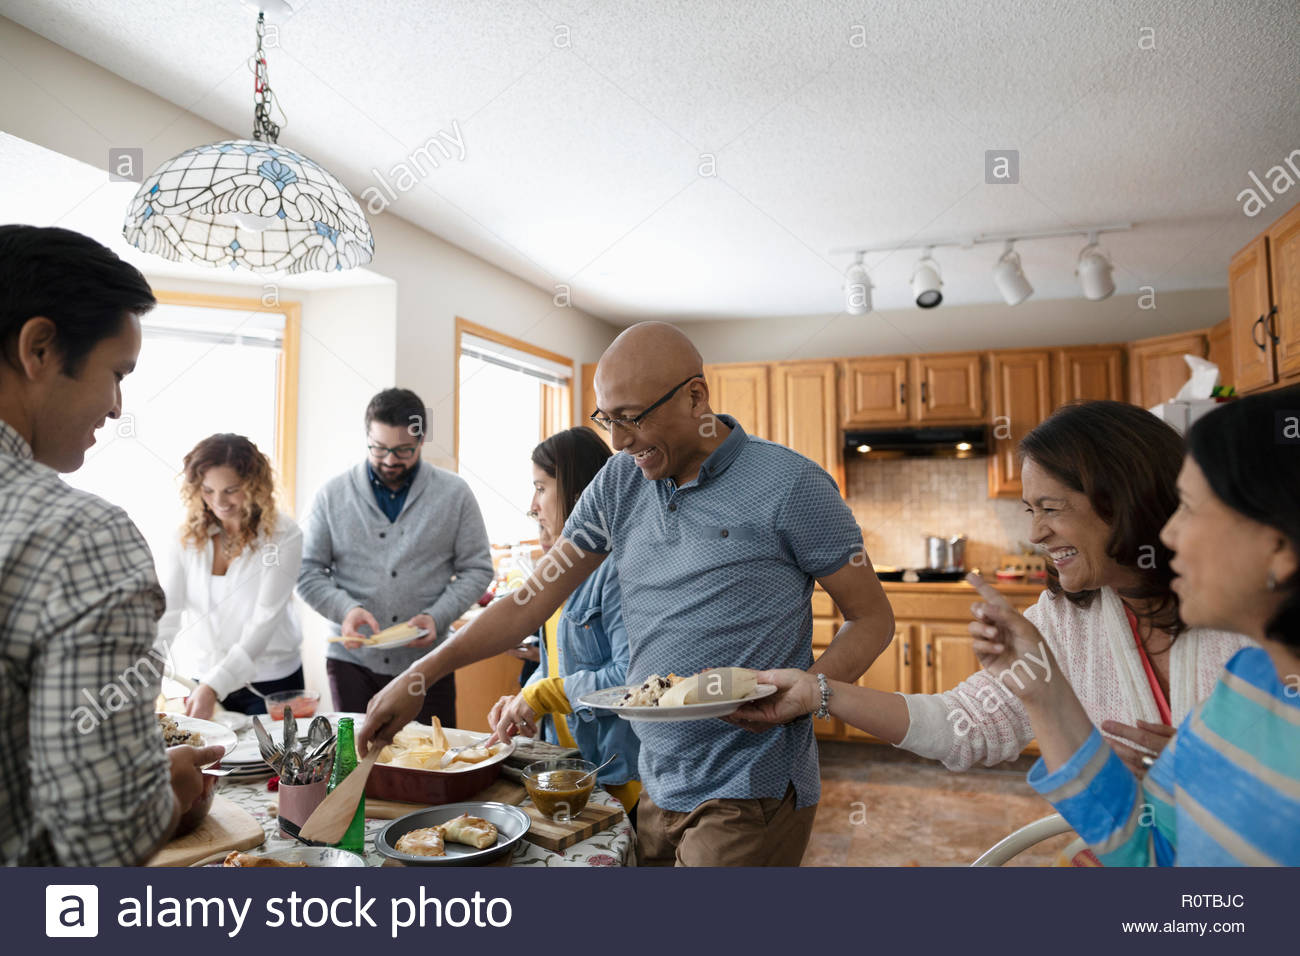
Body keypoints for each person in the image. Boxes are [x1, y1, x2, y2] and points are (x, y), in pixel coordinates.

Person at [360, 322, 895, 867]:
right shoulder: (619, 482)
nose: (618, 440)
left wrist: (810, 691)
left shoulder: (790, 486)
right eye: (607, 419)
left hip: (747, 786)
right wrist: (417, 675)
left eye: (632, 418)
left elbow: (871, 618)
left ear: (696, 396)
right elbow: (532, 599)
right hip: (654, 779)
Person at [742, 401, 1252, 775]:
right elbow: (965, 726)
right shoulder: (1061, 620)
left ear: (1126, 500)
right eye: (1030, 510)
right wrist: (818, 692)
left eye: (1051, 508)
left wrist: (1210, 778)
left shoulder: (1253, 615)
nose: (1034, 534)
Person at [971, 385, 1299, 865]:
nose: (1166, 532)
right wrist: (1043, 690)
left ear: (1279, 545)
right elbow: (1147, 855)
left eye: (1189, 507)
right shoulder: (1243, 685)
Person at [0, 225, 221, 865]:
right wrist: (170, 786)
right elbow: (99, 845)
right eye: (116, 373)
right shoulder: (83, 538)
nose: (118, 407)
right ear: (39, 349)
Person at [297, 387, 493, 725]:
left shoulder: (455, 494)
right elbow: (306, 571)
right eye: (380, 448)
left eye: (403, 450)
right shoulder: (331, 495)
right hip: (351, 664)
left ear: (421, 440)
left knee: (432, 765)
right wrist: (345, 610)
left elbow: (477, 568)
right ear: (367, 438)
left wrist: (437, 616)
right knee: (358, 765)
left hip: (430, 664)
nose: (390, 460)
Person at [484, 426, 641, 813]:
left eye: (540, 488)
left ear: (577, 493)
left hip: (617, 782)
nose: (532, 505)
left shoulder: (618, 570)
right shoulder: (557, 575)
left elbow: (632, 681)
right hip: (569, 769)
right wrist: (524, 697)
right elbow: (559, 665)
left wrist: (542, 695)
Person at [155, 434, 304, 718]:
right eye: (208, 491)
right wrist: (147, 672)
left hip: (269, 682)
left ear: (255, 486)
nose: (218, 502)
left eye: (231, 490)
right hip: (202, 677)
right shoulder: (185, 538)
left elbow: (265, 619)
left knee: (273, 762)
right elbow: (169, 614)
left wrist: (213, 686)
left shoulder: (284, 536)